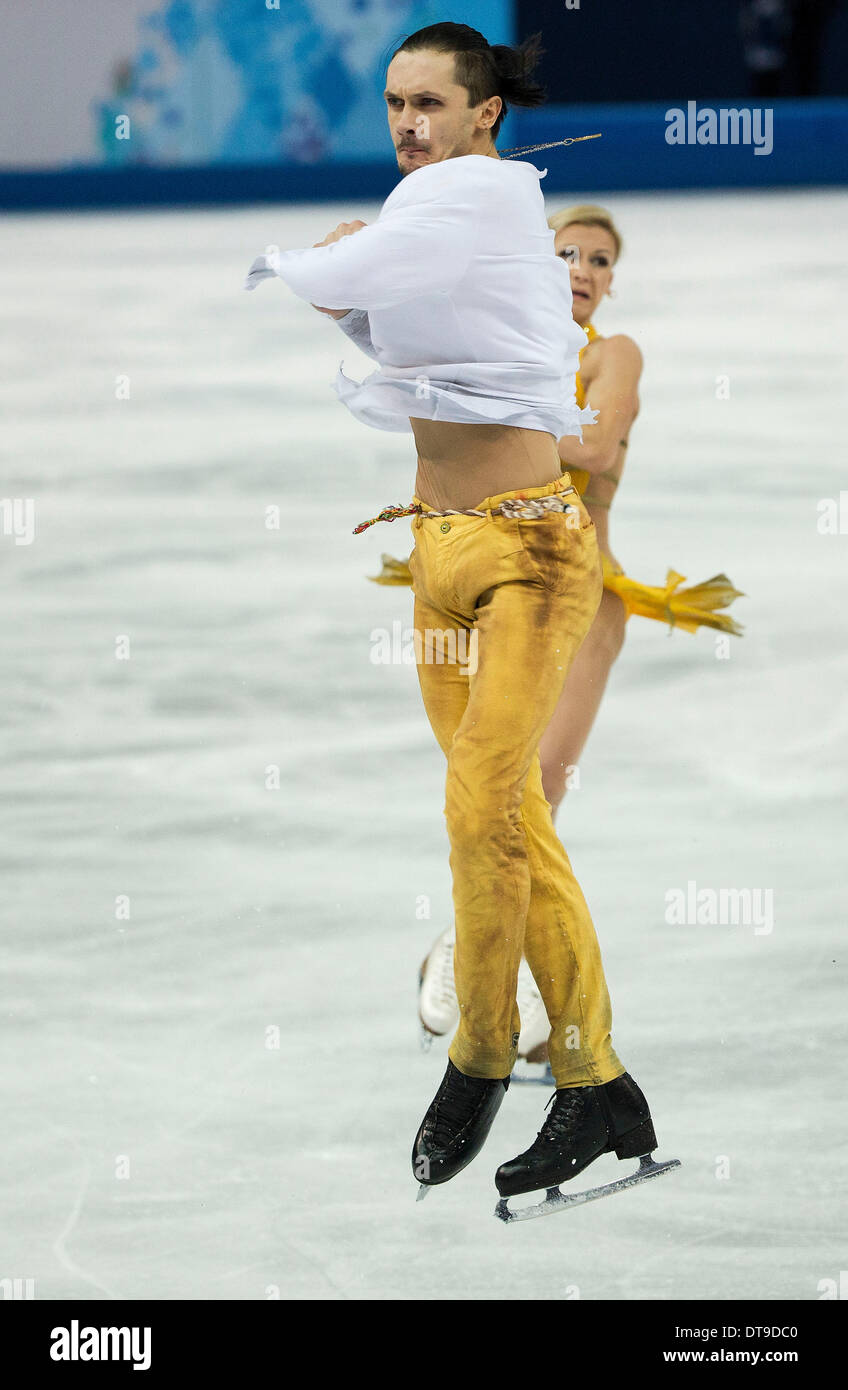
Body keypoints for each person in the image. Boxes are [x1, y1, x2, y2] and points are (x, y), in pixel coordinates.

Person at [245, 22, 661, 1204]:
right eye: (393, 104)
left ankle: (482, 1053)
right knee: (512, 816)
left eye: (429, 102)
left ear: (483, 116)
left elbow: (346, 273)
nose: (407, 124)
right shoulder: (433, 217)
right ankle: (598, 1085)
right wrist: (349, 294)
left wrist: (308, 264)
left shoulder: (478, 192)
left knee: (481, 808)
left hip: (527, 555)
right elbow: (398, 341)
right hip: (435, 550)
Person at [402, 204, 742, 1062]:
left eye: (599, 260)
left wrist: (492, 424)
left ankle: (477, 958)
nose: (584, 270)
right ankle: (501, 973)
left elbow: (593, 447)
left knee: (536, 794)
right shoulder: (502, 349)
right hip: (487, 592)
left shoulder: (611, 356)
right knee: (492, 796)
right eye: (567, 254)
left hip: (583, 604)